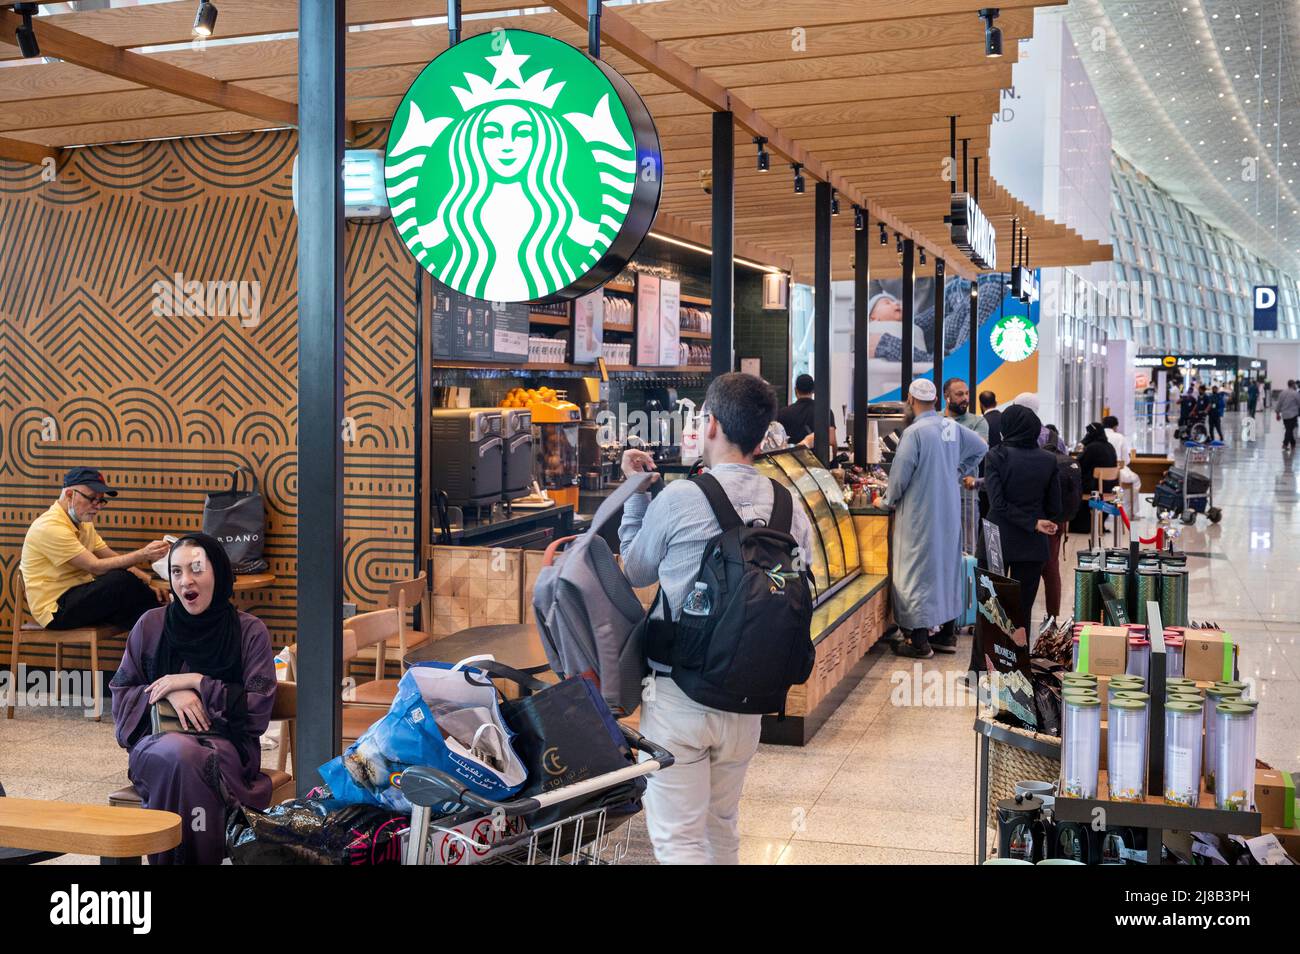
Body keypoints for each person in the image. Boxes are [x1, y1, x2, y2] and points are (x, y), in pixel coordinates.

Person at [618, 372, 814, 865]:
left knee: (678, 839)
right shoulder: (790, 508)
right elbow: (792, 582)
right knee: (721, 826)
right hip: (749, 697)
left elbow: (637, 572)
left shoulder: (682, 497)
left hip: (679, 694)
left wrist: (635, 494)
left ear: (711, 424)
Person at [110, 534, 276, 865]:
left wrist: (198, 683)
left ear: (219, 572)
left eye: (197, 568)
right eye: (176, 571)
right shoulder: (150, 625)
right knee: (180, 755)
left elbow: (257, 709)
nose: (186, 580)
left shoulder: (249, 631)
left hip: (226, 748)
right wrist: (171, 691)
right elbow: (122, 697)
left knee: (189, 760)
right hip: (156, 746)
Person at [874, 378, 987, 658]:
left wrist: (885, 501)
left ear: (910, 401)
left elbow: (899, 477)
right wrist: (956, 471)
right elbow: (981, 447)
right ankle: (947, 635)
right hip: (947, 510)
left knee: (917, 571)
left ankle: (919, 641)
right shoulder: (951, 426)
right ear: (937, 400)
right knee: (946, 567)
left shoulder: (914, 432)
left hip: (919, 513)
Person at [20, 467, 169, 633]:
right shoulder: (49, 527)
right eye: (92, 499)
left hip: (79, 595)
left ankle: (158, 644)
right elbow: (95, 566)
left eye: (101, 501)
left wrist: (149, 582)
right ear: (70, 495)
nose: (97, 507)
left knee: (133, 606)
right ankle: (169, 621)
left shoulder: (84, 524)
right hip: (55, 609)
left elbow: (112, 557)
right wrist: (143, 554)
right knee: (120, 581)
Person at [980, 405, 1062, 652]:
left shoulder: (995, 456)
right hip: (1032, 543)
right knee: (1023, 609)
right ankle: (1017, 670)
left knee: (991, 608)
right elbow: (1055, 507)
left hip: (996, 539)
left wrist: (1030, 521)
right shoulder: (1049, 460)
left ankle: (982, 670)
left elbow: (998, 503)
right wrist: (1035, 522)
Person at [1039, 425, 1081, 623]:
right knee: (1051, 568)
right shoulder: (1062, 451)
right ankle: (1053, 616)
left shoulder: (1038, 459)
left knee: (1032, 570)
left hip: (1037, 520)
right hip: (1058, 521)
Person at [1070, 422, 1120, 535]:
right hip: (1110, 487)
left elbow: (1079, 464)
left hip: (1094, 488)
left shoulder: (1091, 448)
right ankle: (1098, 523)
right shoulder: (1110, 446)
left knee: (1072, 486)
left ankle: (1081, 524)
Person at [776, 373, 837, 452]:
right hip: (819, 462)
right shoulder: (825, 412)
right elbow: (832, 441)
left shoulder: (782, 413)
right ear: (813, 390)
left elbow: (778, 443)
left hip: (791, 461)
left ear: (795, 390)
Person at [1277, 380, 1300, 453]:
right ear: (1293, 385)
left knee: (1288, 429)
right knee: (1289, 430)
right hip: (1293, 415)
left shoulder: (1282, 393)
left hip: (1285, 415)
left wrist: (1277, 413)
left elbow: (1279, 404)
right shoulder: (1295, 393)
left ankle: (1293, 444)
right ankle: (1285, 444)